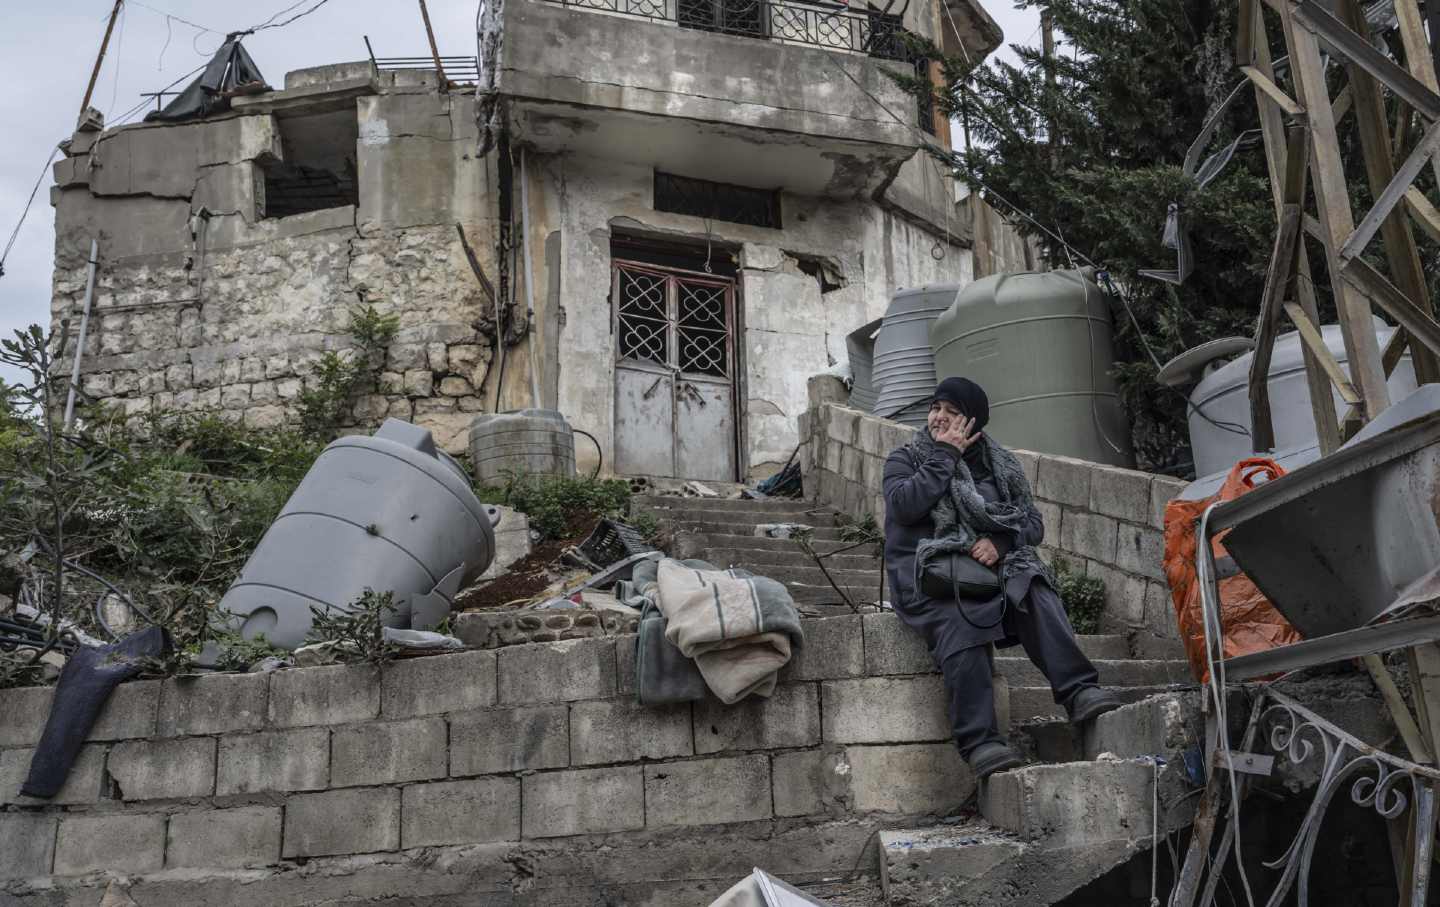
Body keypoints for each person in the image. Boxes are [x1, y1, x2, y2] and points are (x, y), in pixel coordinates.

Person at [882, 376, 1121, 779]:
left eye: (952, 412)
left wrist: (1001, 543)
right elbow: (905, 506)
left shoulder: (1000, 466)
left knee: (1033, 586)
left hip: (988, 571)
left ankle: (1079, 691)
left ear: (973, 423)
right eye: (936, 408)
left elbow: (1032, 522)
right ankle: (981, 742)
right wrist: (944, 455)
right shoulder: (906, 459)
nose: (939, 417)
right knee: (962, 622)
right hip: (929, 579)